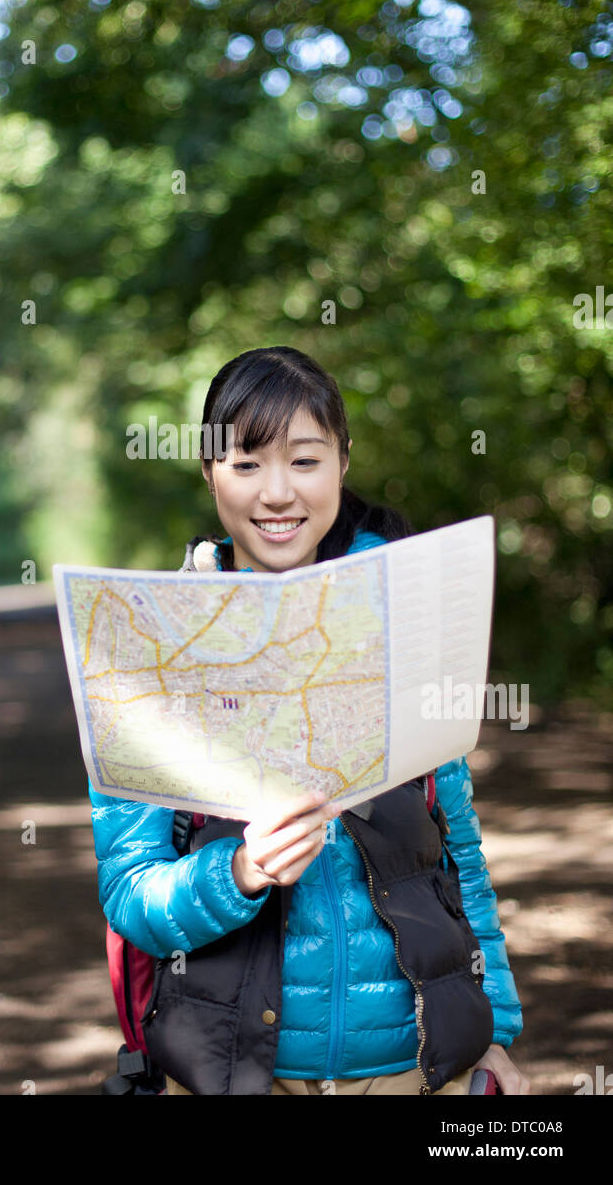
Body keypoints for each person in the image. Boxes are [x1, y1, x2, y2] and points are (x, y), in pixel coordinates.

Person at [89, 346, 528, 1096]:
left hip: (414, 1072)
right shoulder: (151, 648)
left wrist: (496, 1031)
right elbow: (132, 897)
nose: (278, 494)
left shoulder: (404, 622)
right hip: (238, 1074)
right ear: (209, 471)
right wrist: (239, 872)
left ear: (343, 463)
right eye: (247, 464)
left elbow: (458, 849)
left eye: (304, 460)